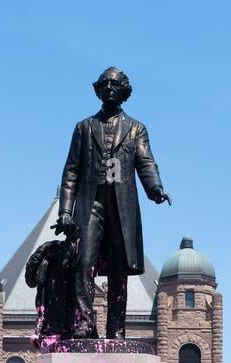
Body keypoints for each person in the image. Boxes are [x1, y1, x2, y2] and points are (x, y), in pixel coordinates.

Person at [56, 67, 171, 339]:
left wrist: (155, 188)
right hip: (90, 204)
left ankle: (116, 329)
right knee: (84, 263)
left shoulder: (136, 128)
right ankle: (84, 323)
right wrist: (65, 212)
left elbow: (146, 162)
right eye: (104, 84)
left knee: (119, 270)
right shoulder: (83, 127)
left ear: (124, 91)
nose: (108, 88)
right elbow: (71, 171)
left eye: (114, 84)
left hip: (122, 208)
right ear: (97, 90)